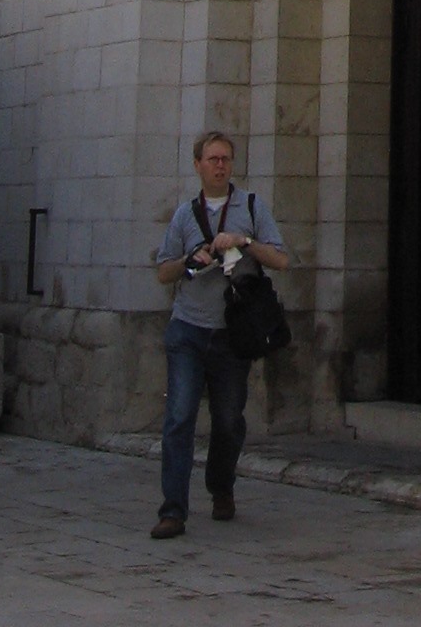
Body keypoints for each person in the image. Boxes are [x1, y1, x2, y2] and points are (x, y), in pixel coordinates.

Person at [150, 129, 288, 538]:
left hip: (232, 334)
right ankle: (173, 510)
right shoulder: (183, 215)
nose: (220, 165)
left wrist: (244, 242)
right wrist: (191, 260)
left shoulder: (250, 206)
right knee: (179, 418)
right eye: (212, 159)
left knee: (228, 420)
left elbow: (280, 258)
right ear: (197, 165)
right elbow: (163, 271)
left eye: (225, 158)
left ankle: (221, 486)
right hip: (188, 329)